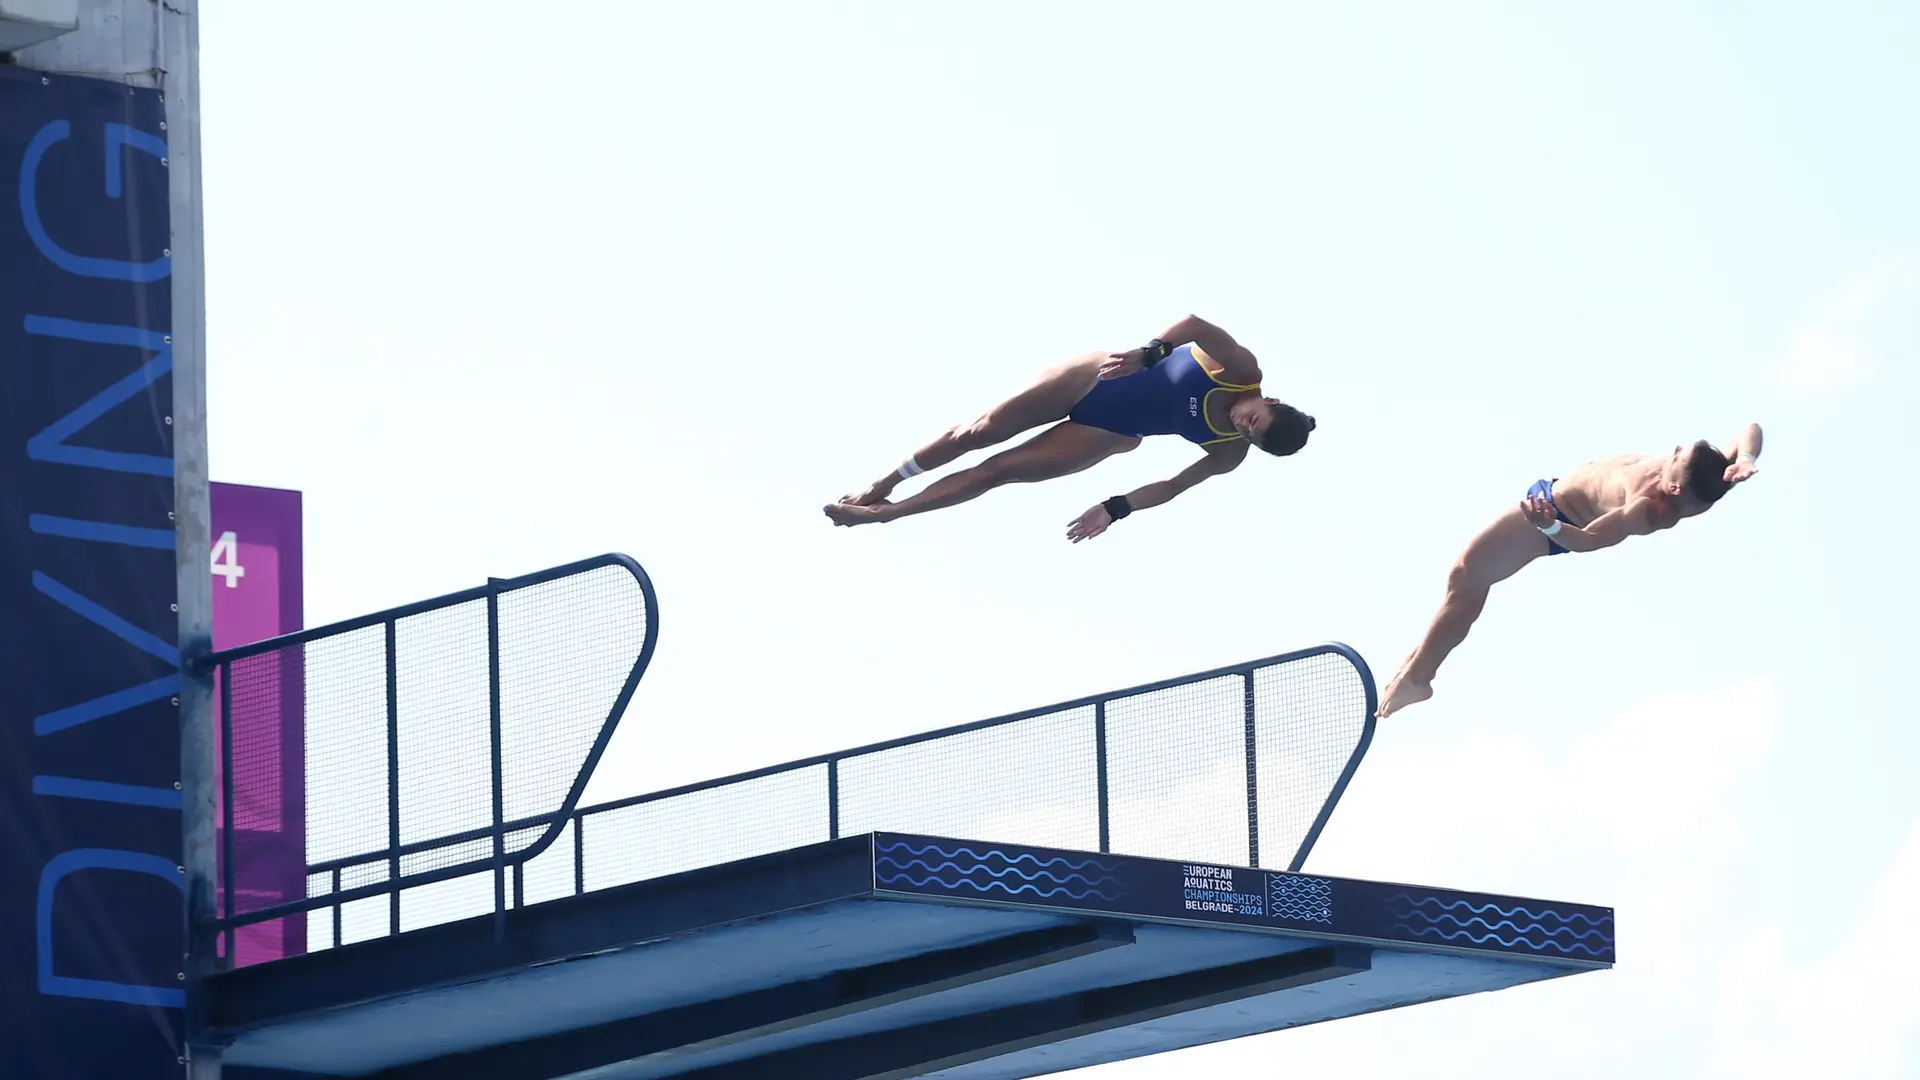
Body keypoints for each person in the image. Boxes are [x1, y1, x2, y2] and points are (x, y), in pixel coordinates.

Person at [1375, 424, 1764, 719]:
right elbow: (1751, 429)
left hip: (1558, 519)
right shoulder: (1711, 473)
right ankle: (1417, 667)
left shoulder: (1646, 510)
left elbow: (1589, 540)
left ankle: (1419, 679)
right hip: (1553, 495)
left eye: (1676, 457)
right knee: (1464, 584)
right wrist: (1745, 459)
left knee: (1467, 576)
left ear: (1676, 489)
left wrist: (1549, 526)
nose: (1674, 450)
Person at [823, 315, 1316, 542]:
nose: (1240, 424)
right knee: (980, 432)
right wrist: (1150, 353)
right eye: (1252, 418)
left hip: (1110, 432)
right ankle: (884, 483)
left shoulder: (1230, 451)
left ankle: (886, 515)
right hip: (1094, 379)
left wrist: (1114, 509)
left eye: (1248, 433)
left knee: (999, 471)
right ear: (1267, 400)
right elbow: (1195, 324)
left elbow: (1173, 485)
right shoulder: (1241, 367)